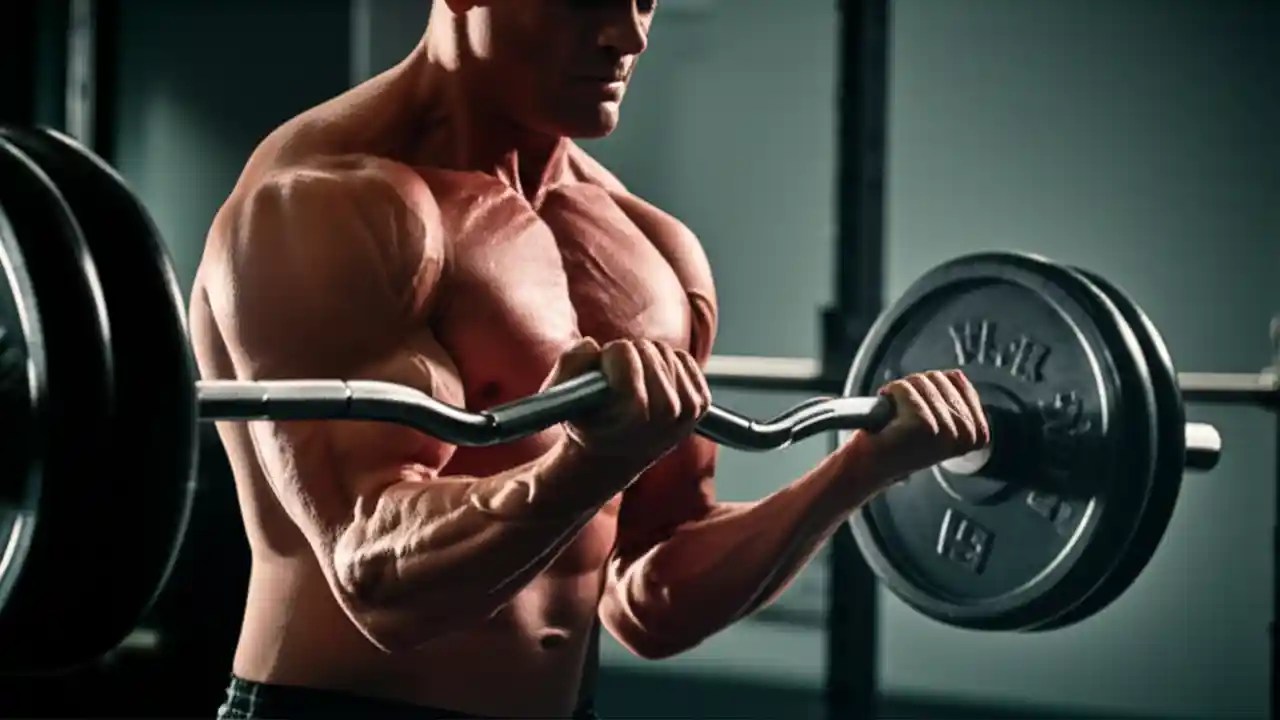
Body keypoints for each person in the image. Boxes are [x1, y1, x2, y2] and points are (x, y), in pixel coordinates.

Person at [189, 1, 989, 718]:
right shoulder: (326, 205)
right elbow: (378, 583)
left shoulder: (656, 252)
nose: (629, 35)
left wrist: (856, 472)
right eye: (585, 1)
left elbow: (652, 602)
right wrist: (588, 461)